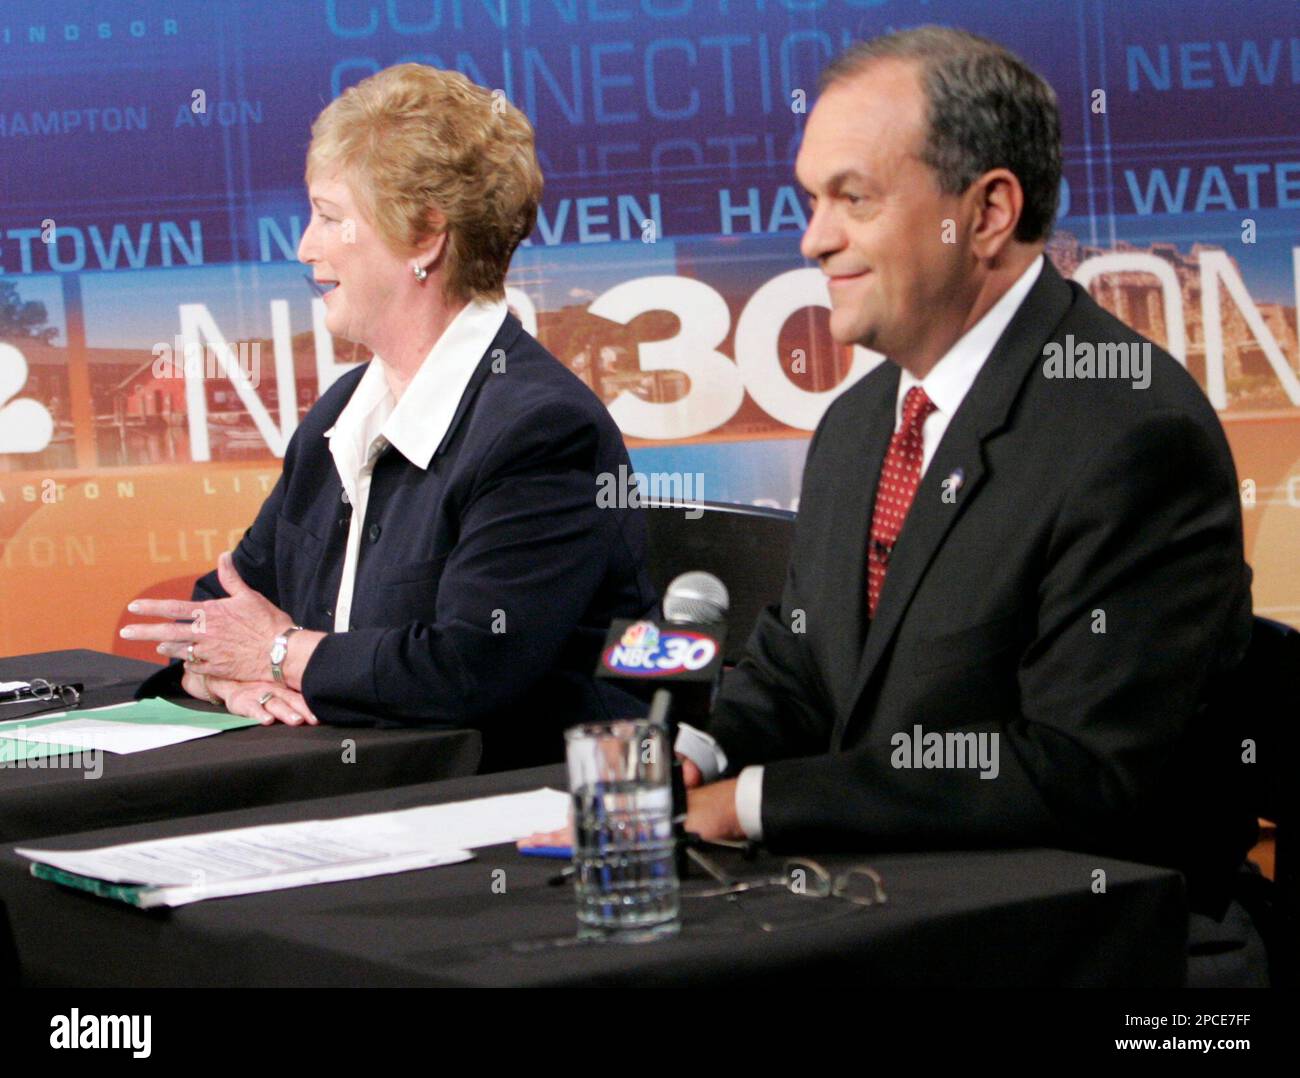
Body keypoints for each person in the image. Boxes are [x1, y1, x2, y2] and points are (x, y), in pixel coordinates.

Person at [674, 28, 1266, 983]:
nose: (812, 237)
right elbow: (800, 665)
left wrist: (755, 804)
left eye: (852, 198)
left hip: (1082, 959)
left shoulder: (1130, 435)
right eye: (811, 199)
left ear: (986, 211)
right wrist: (696, 756)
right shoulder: (860, 422)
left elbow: (1077, 772)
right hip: (883, 921)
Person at [123, 63, 656, 771]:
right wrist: (220, 676)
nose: (304, 247)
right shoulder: (343, 412)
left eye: (330, 216)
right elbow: (224, 606)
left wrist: (280, 654)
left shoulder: (540, 429)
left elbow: (467, 667)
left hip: (503, 812)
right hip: (351, 788)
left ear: (425, 237)